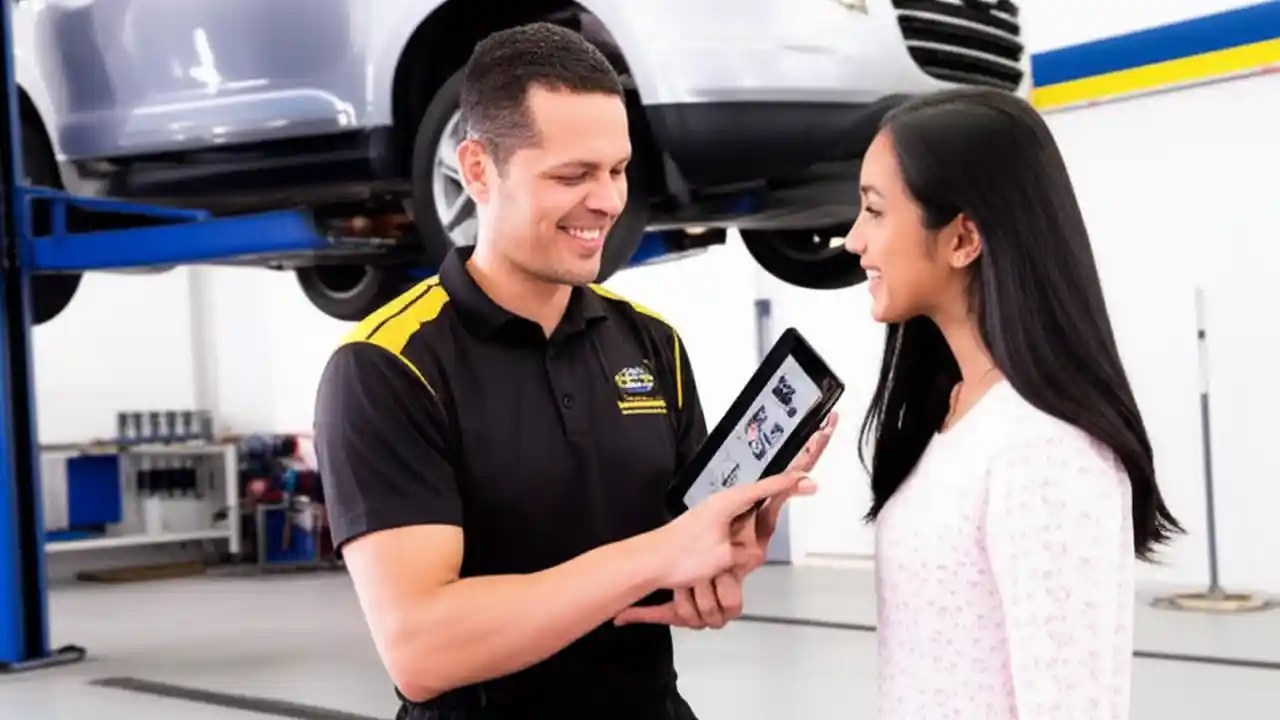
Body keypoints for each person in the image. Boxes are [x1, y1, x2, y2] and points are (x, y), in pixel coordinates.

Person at [312, 22, 836, 720]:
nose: (608, 201)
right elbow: (422, 649)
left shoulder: (653, 346)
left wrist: (714, 563)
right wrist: (658, 556)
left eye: (617, 170)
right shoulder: (387, 367)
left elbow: (664, 567)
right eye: (572, 175)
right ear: (477, 170)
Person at [842, 87, 1183, 720]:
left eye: (874, 211)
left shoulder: (1044, 448)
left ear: (963, 238)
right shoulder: (957, 411)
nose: (853, 240)